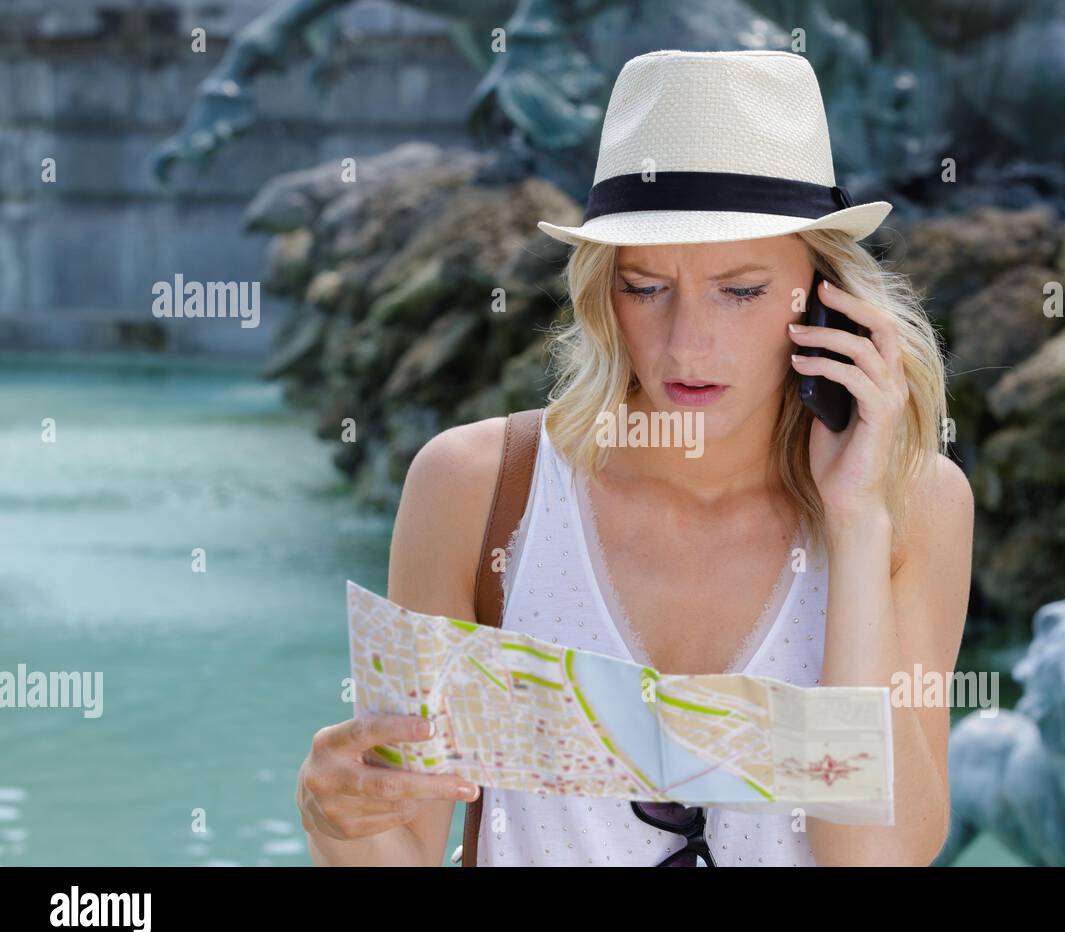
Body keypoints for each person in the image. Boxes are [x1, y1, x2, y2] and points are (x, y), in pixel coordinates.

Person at [297, 48, 973, 866]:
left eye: (742, 289)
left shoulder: (915, 501)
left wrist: (857, 526)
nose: (688, 343)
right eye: (646, 287)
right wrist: (334, 820)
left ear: (827, 298)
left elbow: (874, 859)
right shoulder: (477, 489)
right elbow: (398, 839)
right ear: (601, 293)